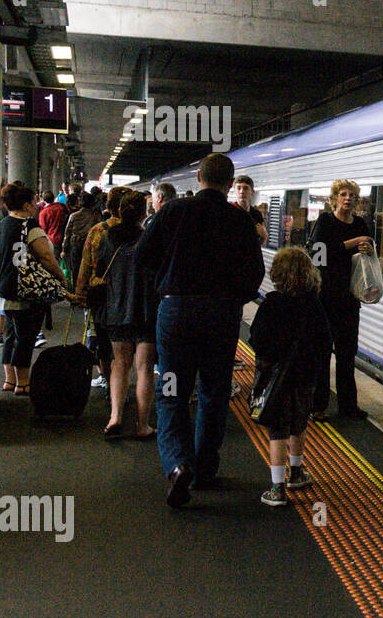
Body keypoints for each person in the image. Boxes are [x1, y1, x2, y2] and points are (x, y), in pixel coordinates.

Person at [134, 153, 264, 508]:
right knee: (213, 390)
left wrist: (167, 278)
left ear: (200, 179)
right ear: (228, 183)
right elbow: (255, 275)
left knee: (172, 390)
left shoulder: (173, 211)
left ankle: (177, 465)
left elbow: (141, 256)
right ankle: (205, 469)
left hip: (176, 313)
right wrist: (234, 298)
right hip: (221, 316)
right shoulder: (240, 220)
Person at [249, 247, 332, 507]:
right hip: (305, 375)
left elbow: (256, 339)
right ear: (309, 273)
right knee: (299, 424)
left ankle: (277, 489)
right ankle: (296, 473)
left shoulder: (272, 303)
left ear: (278, 274)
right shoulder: (314, 303)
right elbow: (325, 340)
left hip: (276, 379)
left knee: (277, 430)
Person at [0, 183, 72, 396]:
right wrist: (61, 279)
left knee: (11, 335)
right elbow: (46, 257)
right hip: (26, 291)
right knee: (26, 337)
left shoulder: (3, 224)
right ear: (27, 204)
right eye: (33, 201)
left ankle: (9, 381)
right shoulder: (29, 227)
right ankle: (23, 382)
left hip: (5, 288)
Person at [94, 192, 158, 441]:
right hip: (145, 310)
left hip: (117, 308)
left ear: (119, 211)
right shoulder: (148, 238)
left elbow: (101, 270)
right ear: (144, 213)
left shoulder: (108, 237)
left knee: (119, 365)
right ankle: (143, 425)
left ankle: (115, 418)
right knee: (144, 368)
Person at [307, 179, 371, 420]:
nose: (347, 199)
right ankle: (318, 405)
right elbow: (320, 254)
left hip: (349, 298)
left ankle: (348, 405)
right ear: (334, 198)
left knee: (347, 353)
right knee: (322, 353)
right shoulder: (326, 221)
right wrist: (355, 243)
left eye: (352, 195)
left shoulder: (361, 223)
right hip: (325, 297)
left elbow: (366, 252)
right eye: (343, 194)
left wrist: (369, 249)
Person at [76, 186, 133, 390]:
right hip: (128, 295)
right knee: (125, 346)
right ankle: (122, 386)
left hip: (100, 295)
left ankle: (110, 384)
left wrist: (80, 294)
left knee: (102, 344)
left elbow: (85, 265)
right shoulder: (138, 231)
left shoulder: (97, 231)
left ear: (109, 205)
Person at [61, 191, 100, 283]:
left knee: (76, 270)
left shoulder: (74, 216)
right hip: (90, 246)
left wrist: (64, 250)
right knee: (89, 270)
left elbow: (67, 234)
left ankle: (76, 291)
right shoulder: (96, 216)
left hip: (75, 246)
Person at [232, 175, 266, 241]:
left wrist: (264, 236)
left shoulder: (256, 214)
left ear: (252, 191)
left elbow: (260, 239)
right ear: (234, 191)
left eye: (245, 188)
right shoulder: (229, 212)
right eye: (238, 188)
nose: (241, 192)